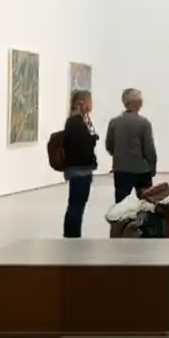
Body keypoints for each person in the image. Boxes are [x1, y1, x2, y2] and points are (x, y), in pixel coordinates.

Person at [105, 88, 158, 203]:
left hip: (121, 169)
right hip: (141, 170)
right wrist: (152, 167)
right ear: (137, 103)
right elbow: (149, 148)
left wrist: (119, 155)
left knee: (121, 204)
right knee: (146, 203)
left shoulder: (114, 122)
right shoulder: (144, 123)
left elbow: (109, 145)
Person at [62, 89, 98, 238]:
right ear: (81, 103)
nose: (91, 105)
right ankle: (72, 235)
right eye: (89, 101)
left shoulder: (75, 121)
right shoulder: (76, 123)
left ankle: (72, 234)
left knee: (75, 204)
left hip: (78, 169)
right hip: (80, 170)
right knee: (77, 205)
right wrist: (92, 139)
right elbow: (81, 146)